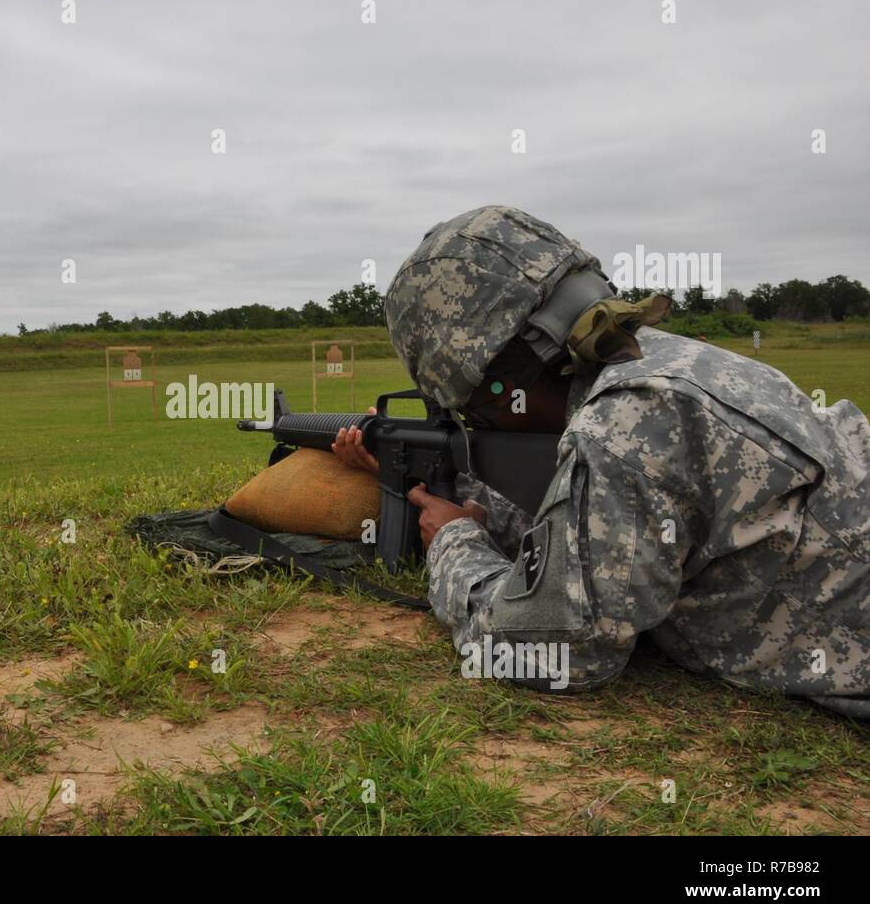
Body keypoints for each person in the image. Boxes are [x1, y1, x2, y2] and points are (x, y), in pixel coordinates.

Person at [332, 205, 870, 718]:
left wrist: (456, 543)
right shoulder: (667, 364)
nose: (481, 424)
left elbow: (556, 649)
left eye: (477, 411)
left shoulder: (621, 425)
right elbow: (616, 529)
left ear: (502, 381)